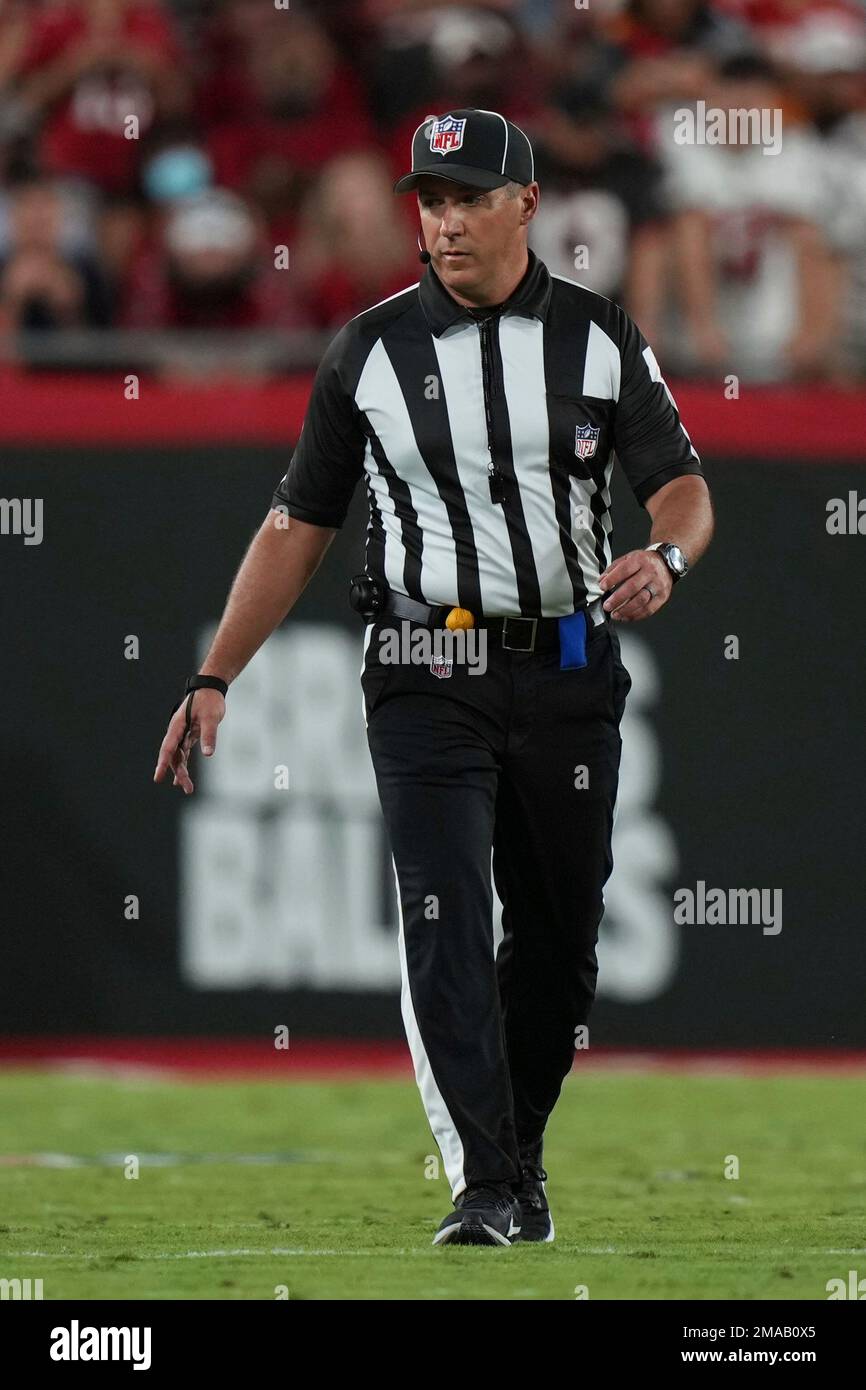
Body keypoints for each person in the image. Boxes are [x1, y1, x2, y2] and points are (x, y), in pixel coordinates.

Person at [154, 108, 714, 1247]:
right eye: (430, 200)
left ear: (525, 206)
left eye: (466, 197)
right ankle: (487, 1182)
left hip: (564, 662)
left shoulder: (599, 339)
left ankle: (517, 1159)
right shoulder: (366, 348)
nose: (444, 221)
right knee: (442, 910)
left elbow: (682, 487)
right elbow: (297, 523)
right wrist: (216, 672)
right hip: (421, 663)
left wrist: (664, 556)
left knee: (558, 939)